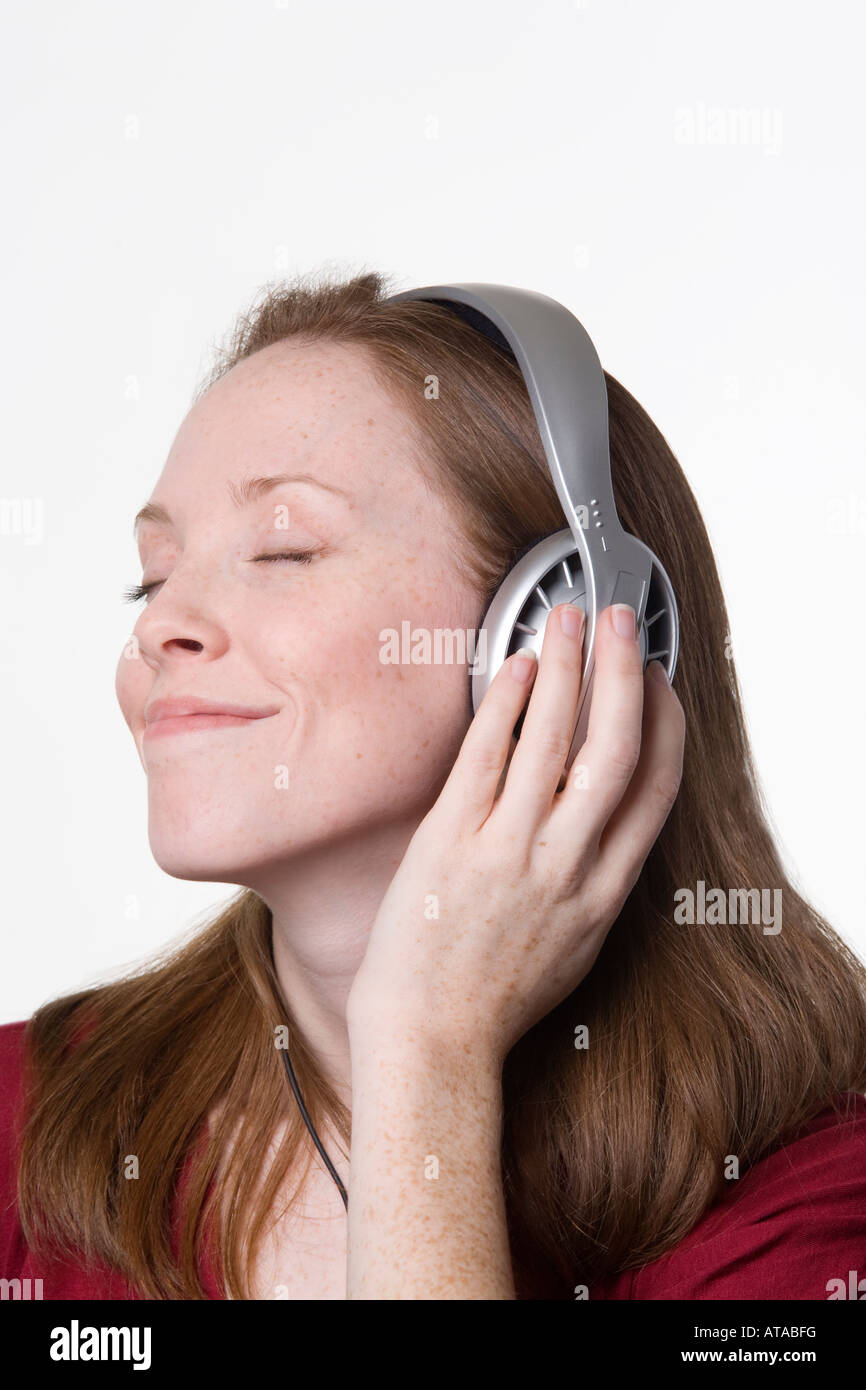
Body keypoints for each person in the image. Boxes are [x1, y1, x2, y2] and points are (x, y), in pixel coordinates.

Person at [2, 269, 865, 1301]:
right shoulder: (29, 1113)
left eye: (283, 548)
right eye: (153, 575)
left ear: (566, 619)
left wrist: (428, 1053)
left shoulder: (810, 1185)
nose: (157, 624)